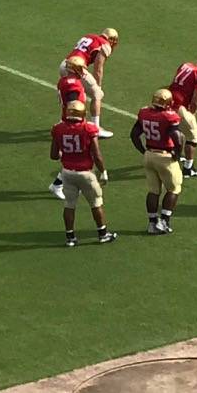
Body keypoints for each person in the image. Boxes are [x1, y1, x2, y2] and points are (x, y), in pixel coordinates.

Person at [51, 99, 116, 246]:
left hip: (67, 173)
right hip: (86, 173)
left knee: (69, 204)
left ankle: (70, 238)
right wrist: (103, 171)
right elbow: (97, 154)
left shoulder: (58, 128)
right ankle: (102, 234)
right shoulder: (88, 129)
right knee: (96, 203)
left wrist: (66, 154)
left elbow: (54, 155)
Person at [133, 89, 187, 234]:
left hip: (149, 154)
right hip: (164, 157)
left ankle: (152, 223)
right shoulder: (168, 116)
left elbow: (134, 135)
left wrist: (143, 151)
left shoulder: (144, 113)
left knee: (153, 191)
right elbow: (177, 137)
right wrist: (177, 153)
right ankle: (164, 221)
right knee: (174, 189)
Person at [50, 56, 92, 200]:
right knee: (75, 157)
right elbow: (73, 106)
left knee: (74, 157)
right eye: (80, 68)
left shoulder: (64, 80)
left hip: (70, 120)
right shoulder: (72, 84)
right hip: (73, 122)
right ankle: (57, 184)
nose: (83, 71)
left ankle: (65, 183)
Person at [67, 28, 119, 135]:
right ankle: (96, 128)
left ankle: (68, 123)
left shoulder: (89, 36)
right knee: (97, 94)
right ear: (112, 39)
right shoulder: (105, 45)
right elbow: (98, 68)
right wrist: (98, 85)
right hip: (77, 67)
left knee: (77, 95)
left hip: (65, 64)